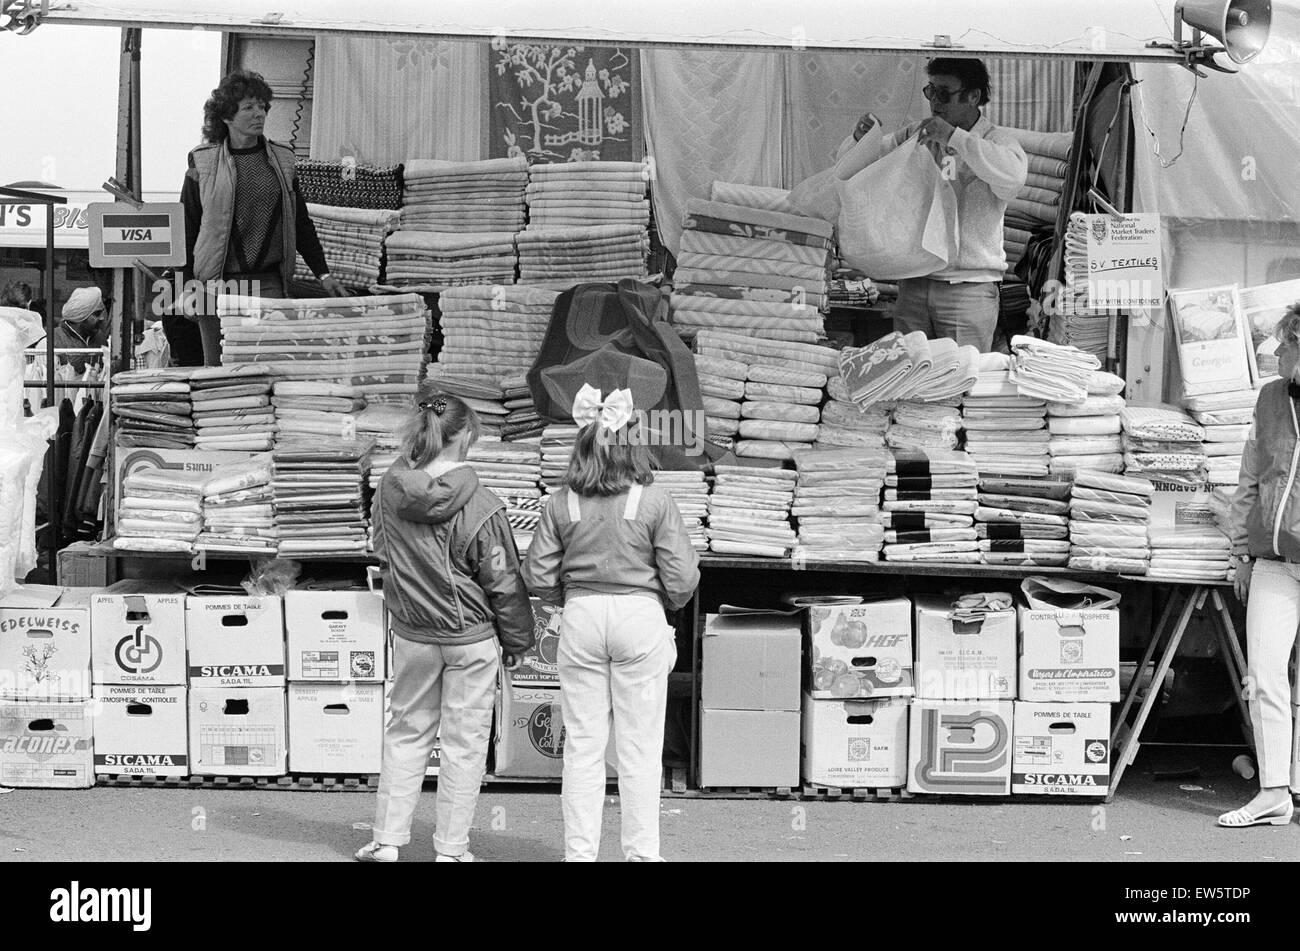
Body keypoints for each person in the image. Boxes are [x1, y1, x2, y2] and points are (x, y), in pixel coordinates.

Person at [523, 383, 700, 862]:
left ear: (581, 448)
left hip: (581, 616)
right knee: (640, 747)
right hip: (639, 616)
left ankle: (579, 855)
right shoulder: (654, 501)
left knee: (583, 745)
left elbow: (537, 574)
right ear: (632, 446)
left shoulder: (561, 503)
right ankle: (642, 854)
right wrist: (662, 600)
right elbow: (682, 577)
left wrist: (571, 596)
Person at [356, 391, 535, 862]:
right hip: (470, 639)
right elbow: (503, 580)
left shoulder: (388, 493)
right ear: (468, 436)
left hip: (413, 634)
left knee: (406, 733)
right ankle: (451, 850)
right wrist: (517, 640)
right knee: (464, 745)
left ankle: (387, 842)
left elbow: (380, 551)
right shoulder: (483, 505)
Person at [837, 58, 1028, 351]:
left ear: (973, 96)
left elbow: (1012, 179)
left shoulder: (996, 142)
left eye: (944, 93)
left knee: (964, 384)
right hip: (914, 282)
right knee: (910, 377)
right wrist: (861, 139)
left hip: (968, 290)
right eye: (931, 91)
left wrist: (955, 138)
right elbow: (865, 162)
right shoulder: (919, 133)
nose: (935, 102)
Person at [172, 69, 346, 367]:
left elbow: (300, 222)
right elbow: (186, 226)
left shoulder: (282, 160)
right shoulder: (203, 161)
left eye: (263, 106)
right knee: (218, 369)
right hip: (215, 284)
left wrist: (323, 274)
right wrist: (185, 284)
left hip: (268, 281)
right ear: (226, 116)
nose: (260, 114)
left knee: (267, 365)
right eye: (249, 107)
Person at [1223, 303, 1300, 828]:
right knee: (1267, 675)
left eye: (1285, 343)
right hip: (1273, 558)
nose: (1274, 352)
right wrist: (1240, 553)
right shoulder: (1270, 398)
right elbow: (1251, 474)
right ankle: (1274, 791)